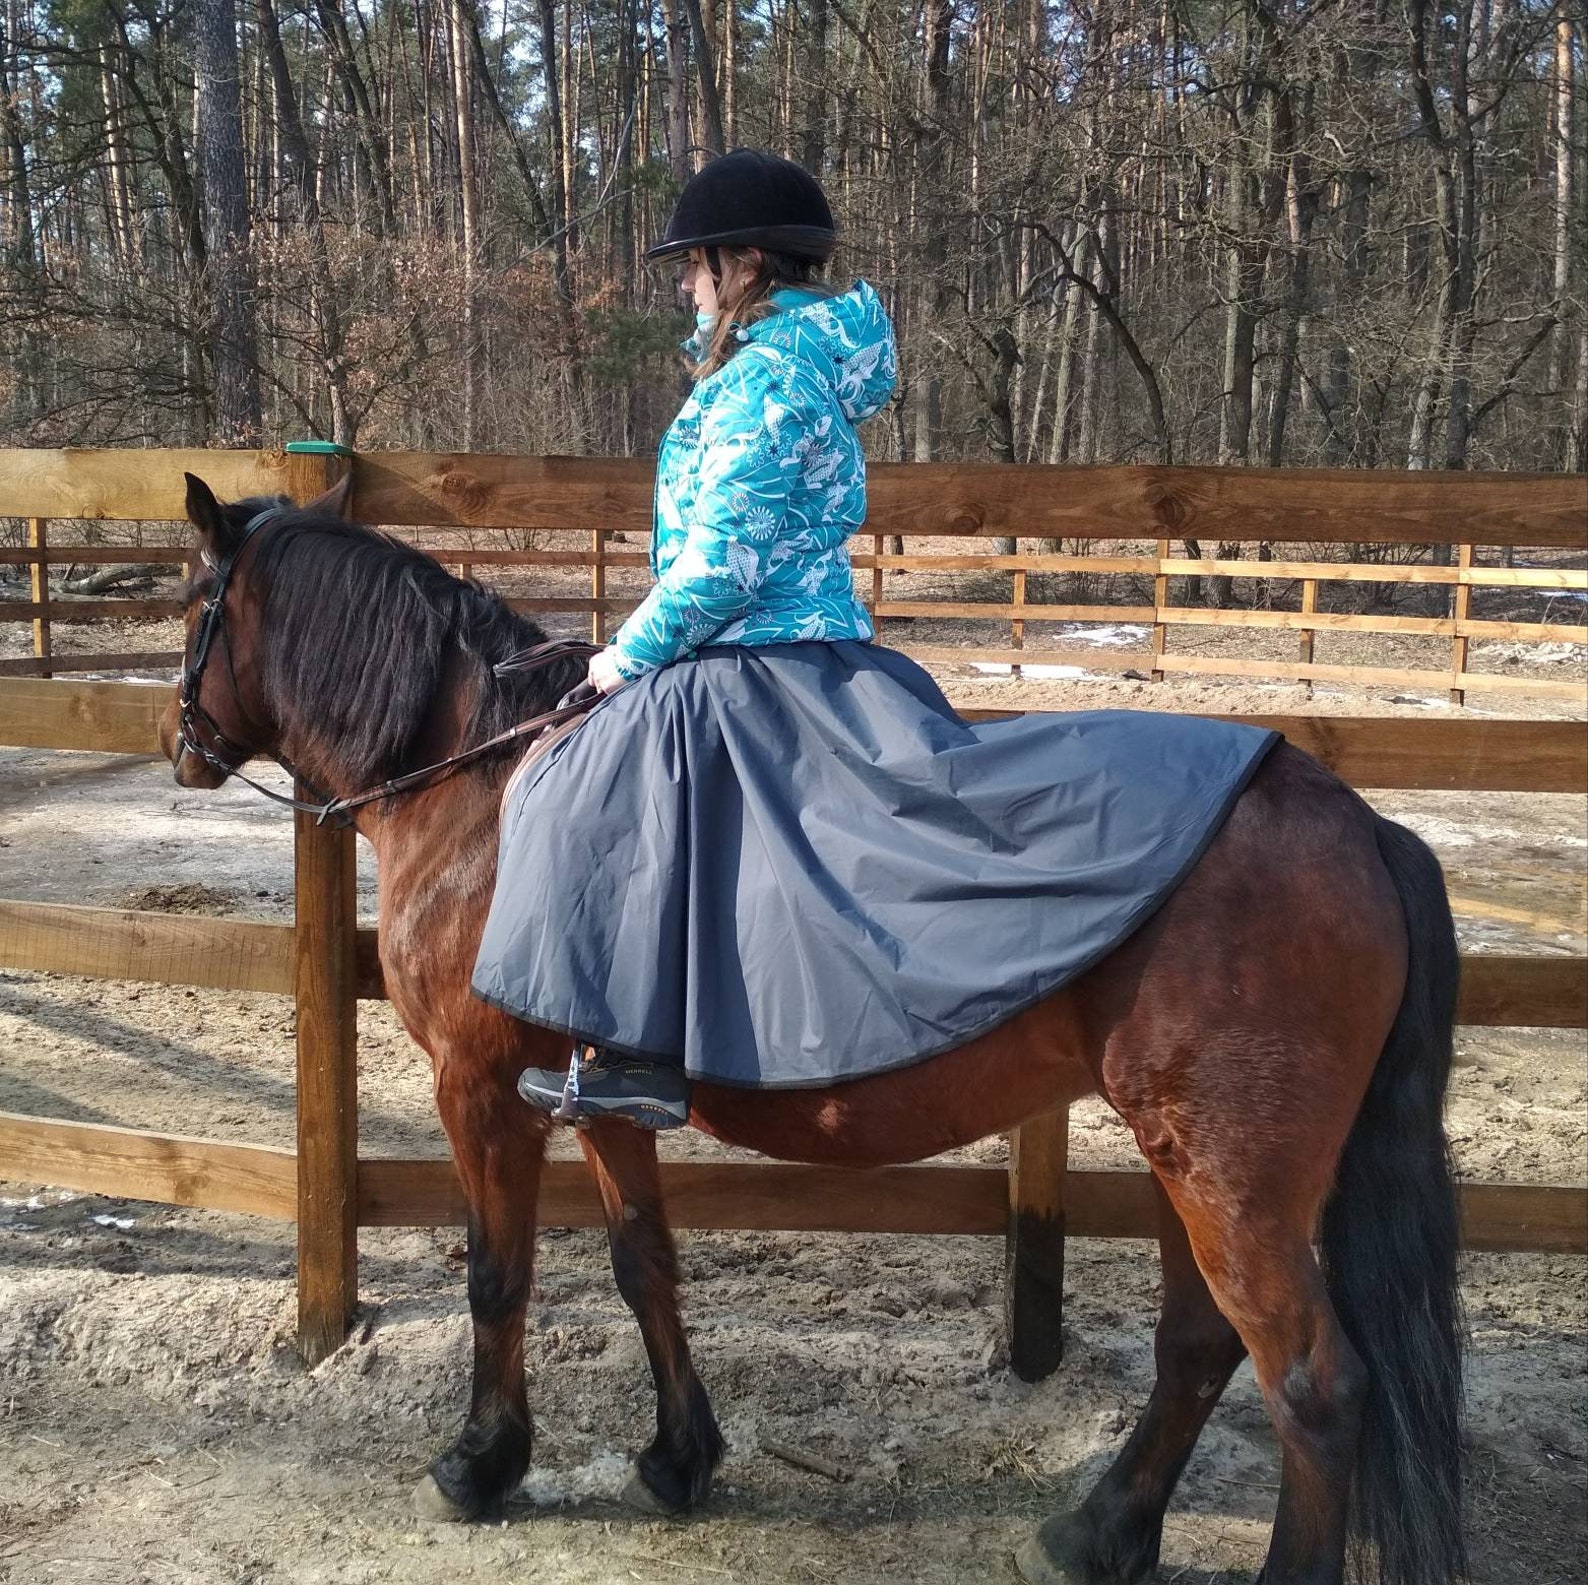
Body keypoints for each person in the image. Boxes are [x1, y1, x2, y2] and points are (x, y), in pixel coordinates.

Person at [472, 149, 1278, 1129]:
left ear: (744, 263)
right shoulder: (782, 368)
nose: (684, 284)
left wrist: (621, 658)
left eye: (692, 264)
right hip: (784, 642)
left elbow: (723, 564)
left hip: (752, 647)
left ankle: (636, 1053)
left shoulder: (766, 379)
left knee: (569, 782)